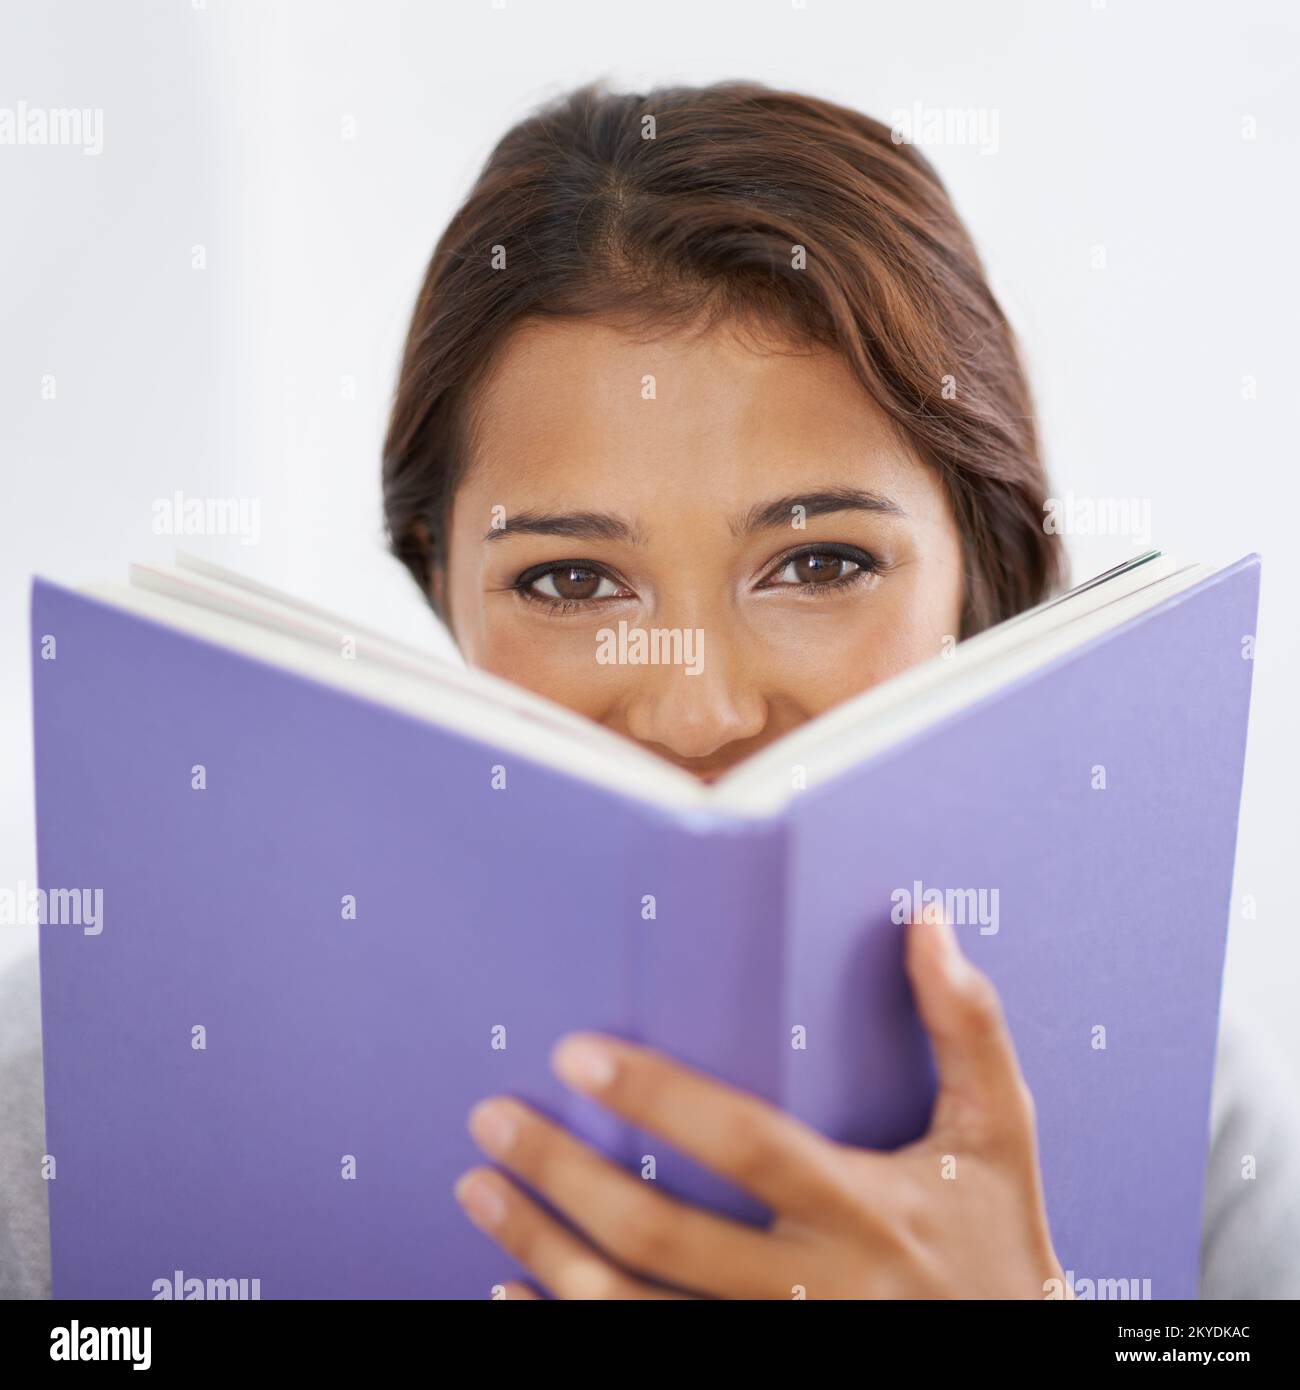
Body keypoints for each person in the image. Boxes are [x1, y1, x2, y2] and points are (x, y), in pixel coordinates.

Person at [2, 80, 1296, 1301]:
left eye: (823, 562)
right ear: (441, 588)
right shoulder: (81, 1075)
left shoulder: (1177, 1096)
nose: (696, 711)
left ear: (984, 574)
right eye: (570, 581)